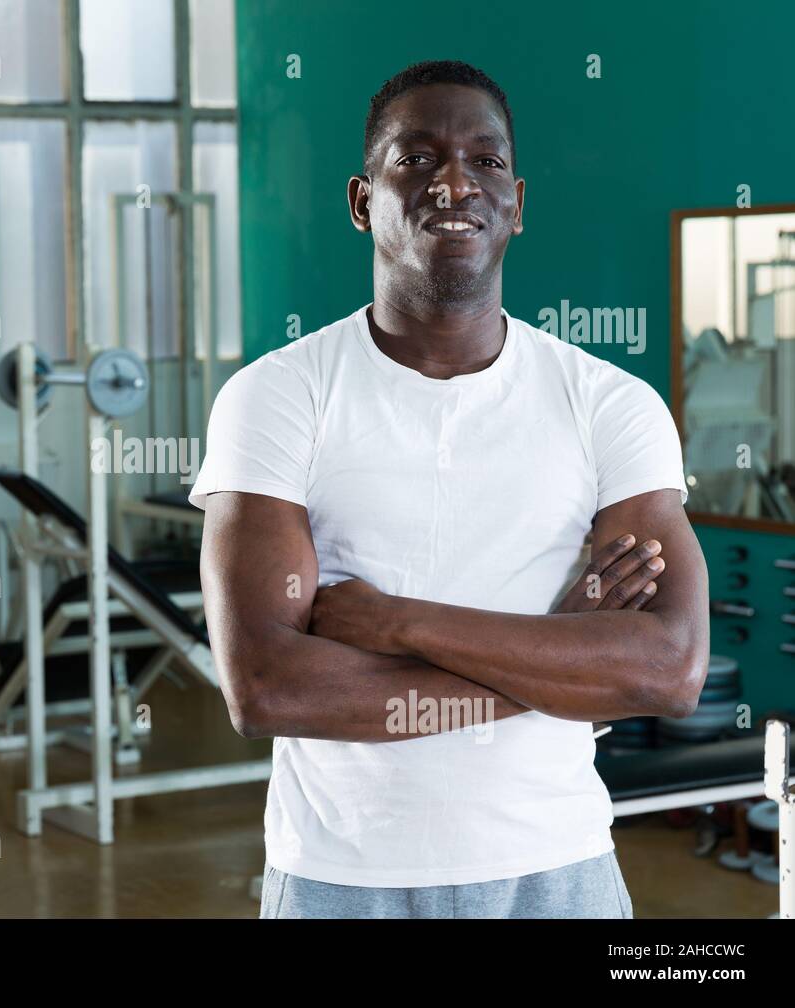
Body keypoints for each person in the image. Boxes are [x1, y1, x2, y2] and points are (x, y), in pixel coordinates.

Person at [192, 61, 710, 919]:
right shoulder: (277, 398)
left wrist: (399, 622)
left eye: (486, 160)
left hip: (559, 870)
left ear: (517, 202)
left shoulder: (610, 405)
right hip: (340, 879)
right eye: (418, 158)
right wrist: (558, 662)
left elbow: (667, 667)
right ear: (363, 201)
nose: (456, 180)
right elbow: (268, 689)